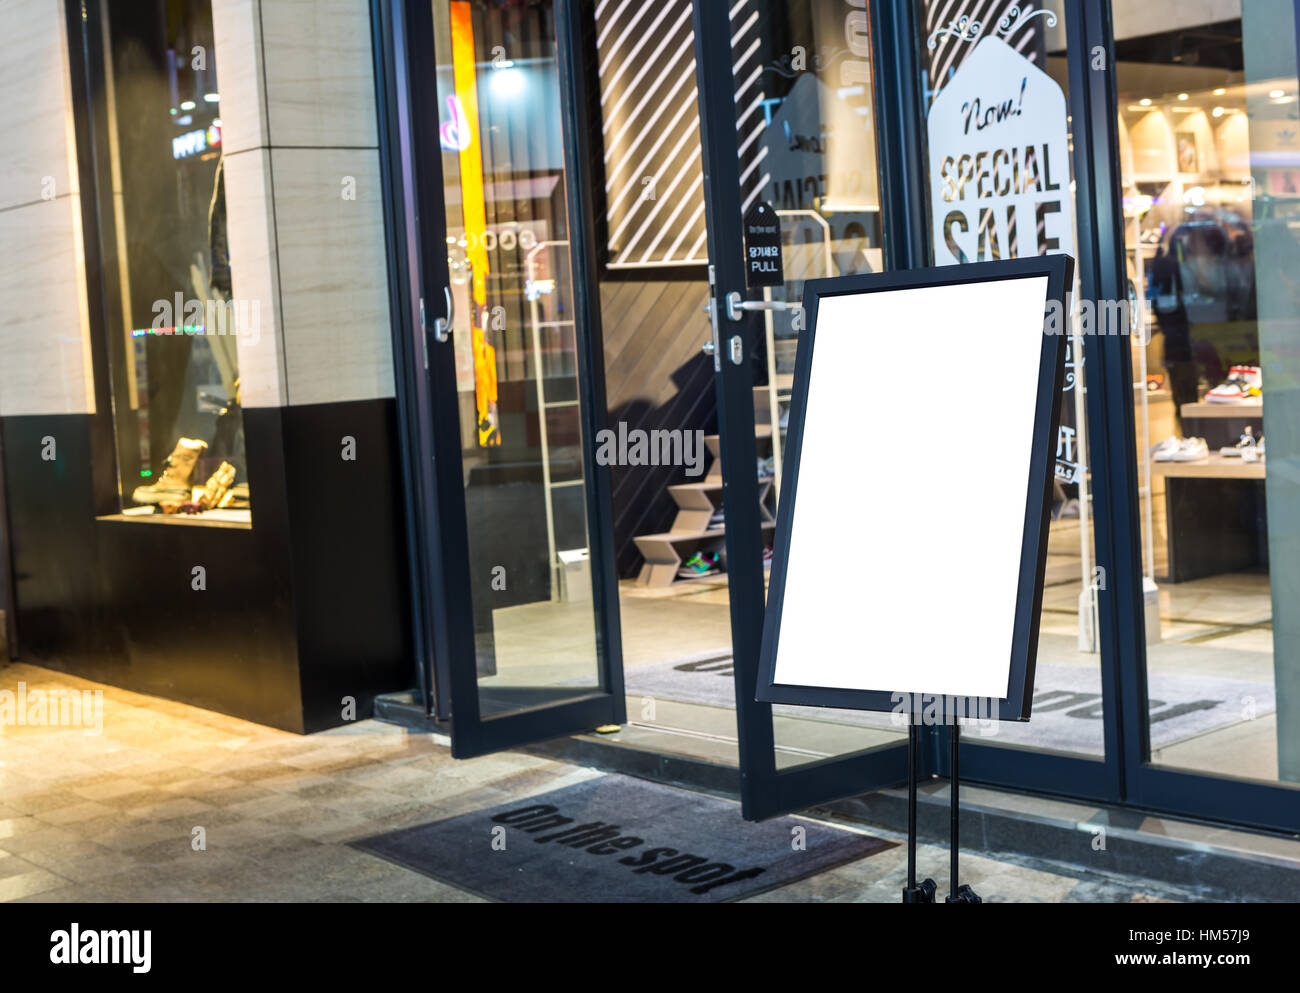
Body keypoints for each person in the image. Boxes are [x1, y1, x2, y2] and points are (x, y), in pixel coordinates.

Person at [1149, 245, 1197, 434]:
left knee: (1181, 392)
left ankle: (1187, 432)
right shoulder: (1172, 273)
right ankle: (1188, 433)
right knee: (1185, 391)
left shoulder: (1162, 285)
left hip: (1177, 344)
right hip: (1181, 344)